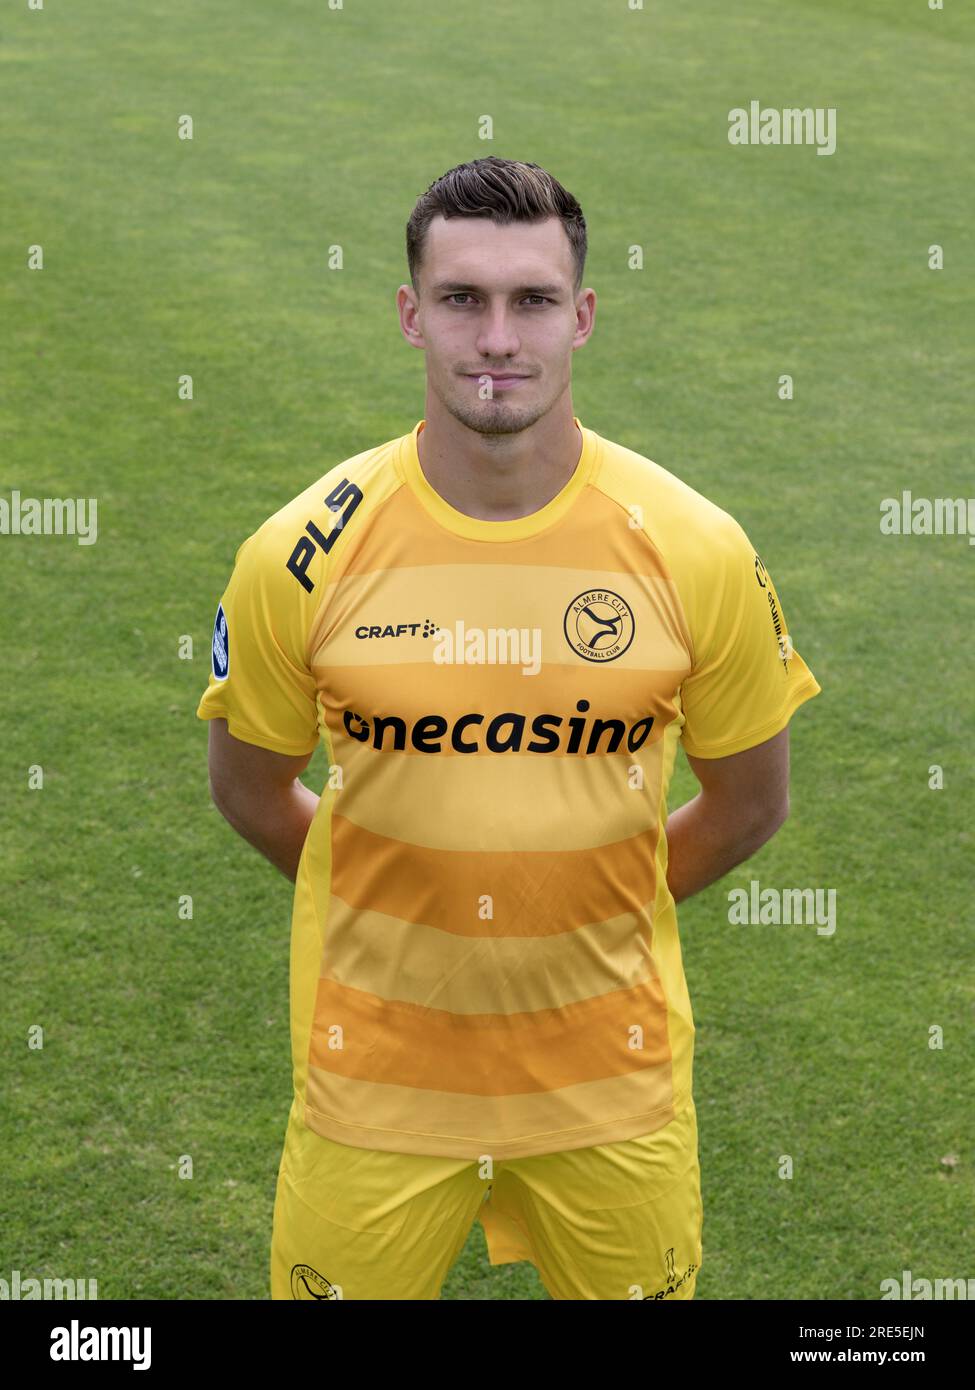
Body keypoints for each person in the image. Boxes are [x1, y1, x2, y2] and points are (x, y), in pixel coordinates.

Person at [197, 156, 821, 1301]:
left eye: (532, 300)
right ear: (409, 315)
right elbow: (246, 788)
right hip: (374, 1089)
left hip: (613, 1092)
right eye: (462, 300)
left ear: (580, 317)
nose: (497, 338)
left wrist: (580, 894)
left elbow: (750, 805)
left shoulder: (696, 547)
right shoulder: (297, 553)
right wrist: (400, 889)